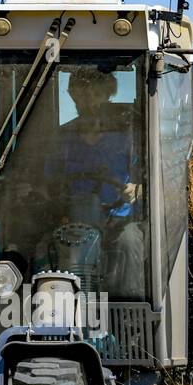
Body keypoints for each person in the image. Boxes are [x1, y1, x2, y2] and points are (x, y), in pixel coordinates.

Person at [56, 67, 146, 299]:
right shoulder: (62, 138)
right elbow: (48, 181)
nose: (88, 101)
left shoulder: (127, 137)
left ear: (107, 94)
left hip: (118, 220)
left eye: (94, 94)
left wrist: (138, 188)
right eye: (81, 94)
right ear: (72, 94)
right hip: (71, 220)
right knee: (45, 246)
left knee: (130, 240)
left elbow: (146, 176)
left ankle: (129, 311)